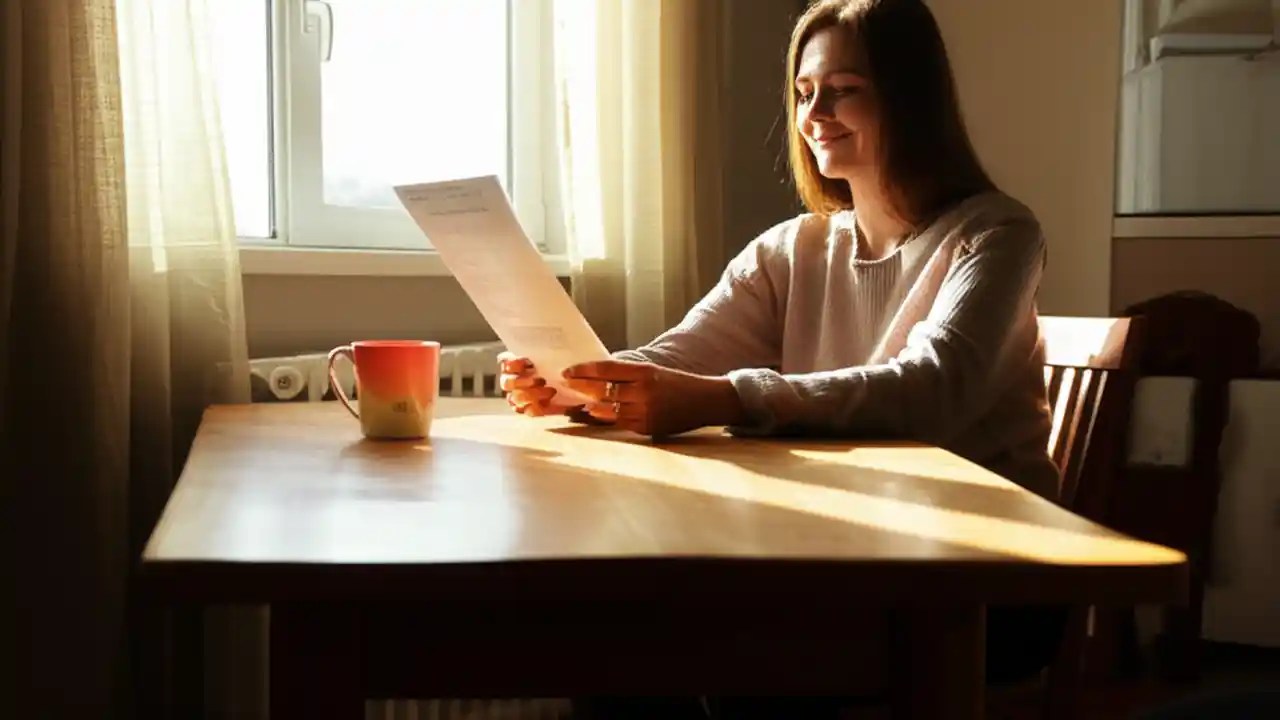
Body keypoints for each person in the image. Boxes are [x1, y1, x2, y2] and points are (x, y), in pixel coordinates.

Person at [501, 0, 1065, 714]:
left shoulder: (996, 233)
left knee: (709, 649)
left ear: (908, 95)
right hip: (848, 554)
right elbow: (682, 354)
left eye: (844, 90)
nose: (815, 112)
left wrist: (726, 398)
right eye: (804, 93)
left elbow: (933, 389)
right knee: (624, 636)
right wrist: (579, 383)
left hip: (987, 580)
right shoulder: (793, 248)